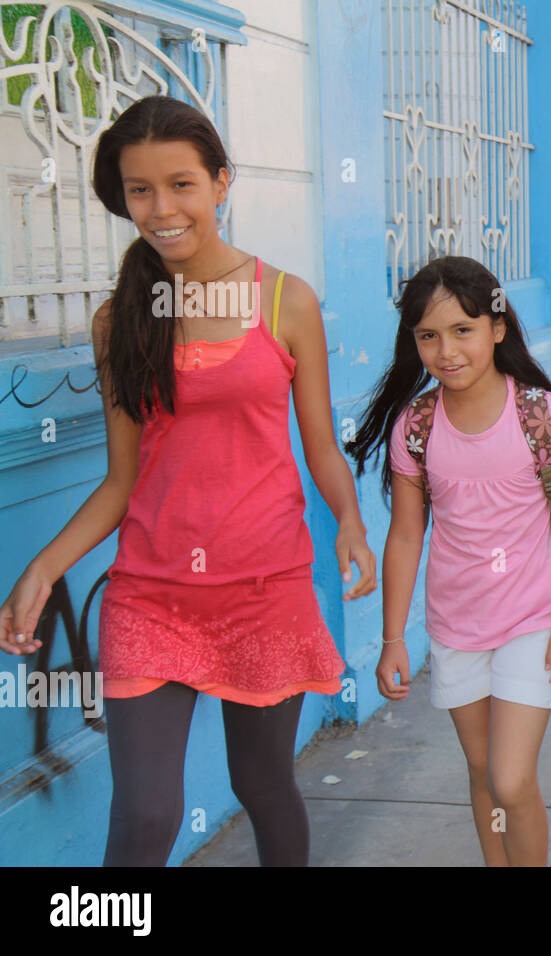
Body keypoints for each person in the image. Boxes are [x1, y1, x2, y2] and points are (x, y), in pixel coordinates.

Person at [0, 96, 377, 866]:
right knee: (145, 816)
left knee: (264, 785)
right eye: (140, 190)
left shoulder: (285, 300)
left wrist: (350, 520)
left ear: (221, 182)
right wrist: (43, 567)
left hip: (262, 591)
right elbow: (120, 481)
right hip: (152, 597)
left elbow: (321, 449)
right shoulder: (121, 320)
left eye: (181, 184)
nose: (161, 208)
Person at [345, 256, 551, 867]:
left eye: (463, 330)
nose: (446, 350)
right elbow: (406, 537)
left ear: (498, 329)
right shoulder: (417, 426)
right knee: (483, 773)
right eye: (428, 336)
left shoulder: (541, 415)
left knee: (512, 779)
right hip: (457, 627)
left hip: (532, 618)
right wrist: (391, 640)